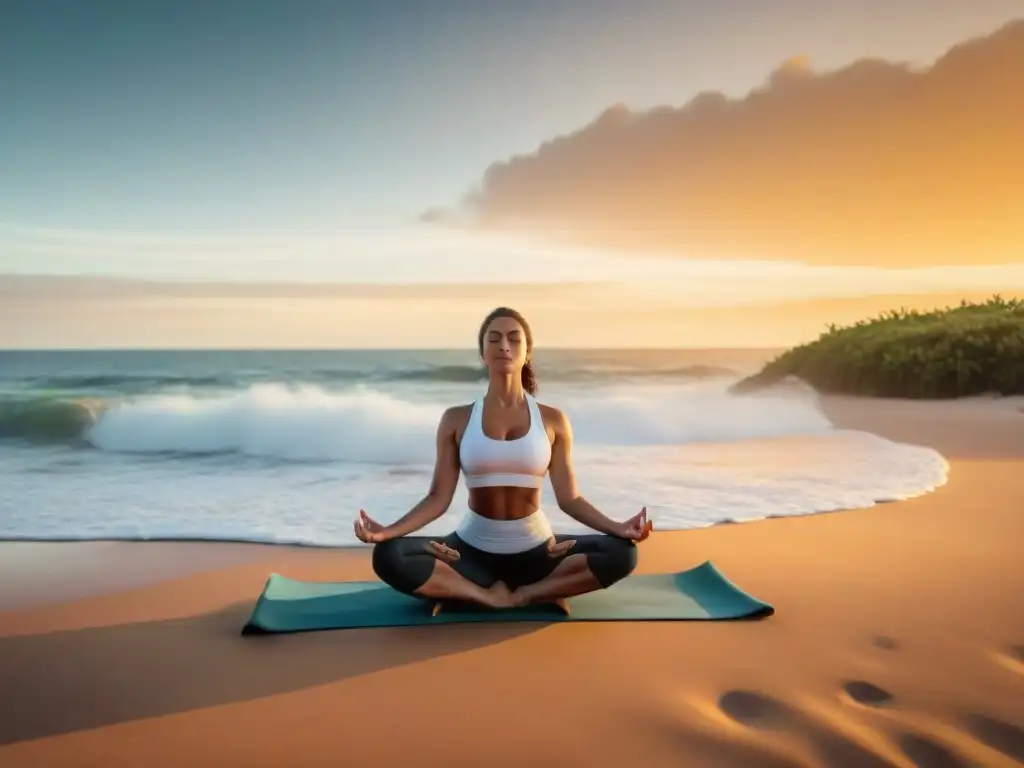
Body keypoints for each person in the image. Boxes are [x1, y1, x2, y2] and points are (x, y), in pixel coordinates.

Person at [353, 306, 652, 612]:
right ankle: (487, 596)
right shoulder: (456, 419)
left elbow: (570, 498)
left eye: (514, 339)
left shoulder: (553, 420)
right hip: (468, 552)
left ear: (527, 352)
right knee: (389, 555)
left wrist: (617, 528)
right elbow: (438, 498)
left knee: (622, 553)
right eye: (493, 339)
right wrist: (388, 532)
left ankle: (525, 593)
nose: (504, 346)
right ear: (483, 354)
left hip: (539, 552)